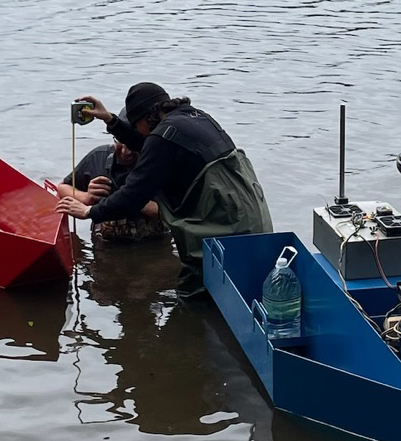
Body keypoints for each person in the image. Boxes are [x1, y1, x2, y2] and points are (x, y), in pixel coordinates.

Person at [56, 82, 272, 297]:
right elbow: (147, 144)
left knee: (195, 290)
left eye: (135, 126)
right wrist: (110, 120)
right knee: (239, 284)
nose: (137, 134)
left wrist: (89, 211)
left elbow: (132, 196)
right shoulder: (194, 117)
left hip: (228, 222)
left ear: (144, 119)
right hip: (253, 214)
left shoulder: (162, 138)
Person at [57, 139, 170, 245]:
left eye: (132, 145)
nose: (126, 151)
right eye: (120, 143)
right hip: (106, 244)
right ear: (114, 137)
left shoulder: (159, 161)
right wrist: (86, 197)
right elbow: (62, 188)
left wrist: (131, 198)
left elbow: (175, 212)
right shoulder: (98, 158)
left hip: (155, 243)